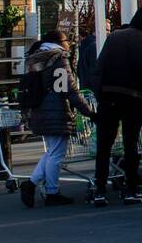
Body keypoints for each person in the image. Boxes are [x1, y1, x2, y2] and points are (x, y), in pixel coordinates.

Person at [91, 7, 142, 206]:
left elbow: (98, 69)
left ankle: (100, 191)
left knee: (104, 147)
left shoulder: (114, 37)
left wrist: (100, 95)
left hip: (109, 97)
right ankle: (131, 190)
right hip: (134, 100)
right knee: (131, 145)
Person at [19, 31, 96, 208]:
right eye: (66, 40)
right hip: (55, 110)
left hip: (40, 110)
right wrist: (89, 112)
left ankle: (31, 184)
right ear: (58, 42)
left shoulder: (38, 57)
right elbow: (68, 89)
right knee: (56, 154)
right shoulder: (58, 59)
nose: (69, 43)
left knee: (51, 151)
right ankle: (51, 192)